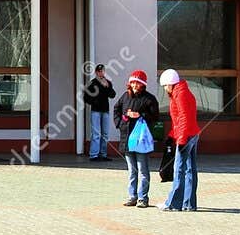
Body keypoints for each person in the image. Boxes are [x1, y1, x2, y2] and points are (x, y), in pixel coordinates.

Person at [112, 70, 159, 208]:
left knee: (143, 169)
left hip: (141, 140)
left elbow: (155, 116)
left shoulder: (149, 99)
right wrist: (120, 123)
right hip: (126, 139)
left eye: (137, 82)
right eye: (132, 82)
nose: (134, 85)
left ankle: (143, 198)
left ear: (142, 84)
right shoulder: (125, 96)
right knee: (132, 171)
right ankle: (132, 196)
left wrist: (140, 115)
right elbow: (116, 109)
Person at [159, 68, 202, 211]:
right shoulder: (183, 92)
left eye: (165, 85)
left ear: (171, 83)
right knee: (190, 170)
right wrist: (172, 134)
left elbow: (184, 117)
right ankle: (189, 204)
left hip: (186, 136)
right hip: (192, 134)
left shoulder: (180, 95)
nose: (165, 88)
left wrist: (181, 139)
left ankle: (173, 203)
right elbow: (179, 119)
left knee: (179, 169)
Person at [83, 64, 117, 162]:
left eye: (102, 71)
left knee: (105, 133)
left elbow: (112, 95)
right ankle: (94, 155)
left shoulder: (108, 83)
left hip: (105, 111)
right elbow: (86, 98)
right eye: (99, 71)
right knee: (96, 133)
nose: (100, 73)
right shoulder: (92, 83)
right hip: (95, 111)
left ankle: (103, 154)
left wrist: (107, 87)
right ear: (96, 72)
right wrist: (94, 101)